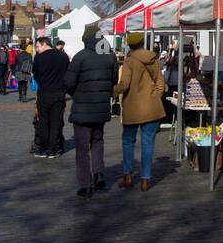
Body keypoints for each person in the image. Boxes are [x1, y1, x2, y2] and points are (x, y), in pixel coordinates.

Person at [64, 24, 120, 198]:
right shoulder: (110, 57)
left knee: (82, 149)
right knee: (97, 141)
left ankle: (86, 184)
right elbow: (113, 80)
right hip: (101, 107)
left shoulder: (80, 57)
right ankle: (99, 173)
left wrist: (77, 94)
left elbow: (68, 83)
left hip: (82, 108)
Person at [113, 32, 166, 192]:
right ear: (143, 42)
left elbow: (124, 85)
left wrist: (111, 90)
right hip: (151, 107)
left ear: (130, 45)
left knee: (128, 141)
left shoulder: (129, 61)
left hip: (133, 107)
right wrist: (155, 96)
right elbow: (160, 82)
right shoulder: (153, 59)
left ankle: (128, 176)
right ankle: (145, 179)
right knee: (147, 143)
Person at [31, 35, 69, 157]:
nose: (36, 49)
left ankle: (42, 148)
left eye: (37, 46)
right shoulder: (63, 56)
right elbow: (68, 73)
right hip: (59, 93)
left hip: (44, 93)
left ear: (44, 44)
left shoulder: (39, 58)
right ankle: (52, 149)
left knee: (43, 122)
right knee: (55, 122)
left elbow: (35, 74)